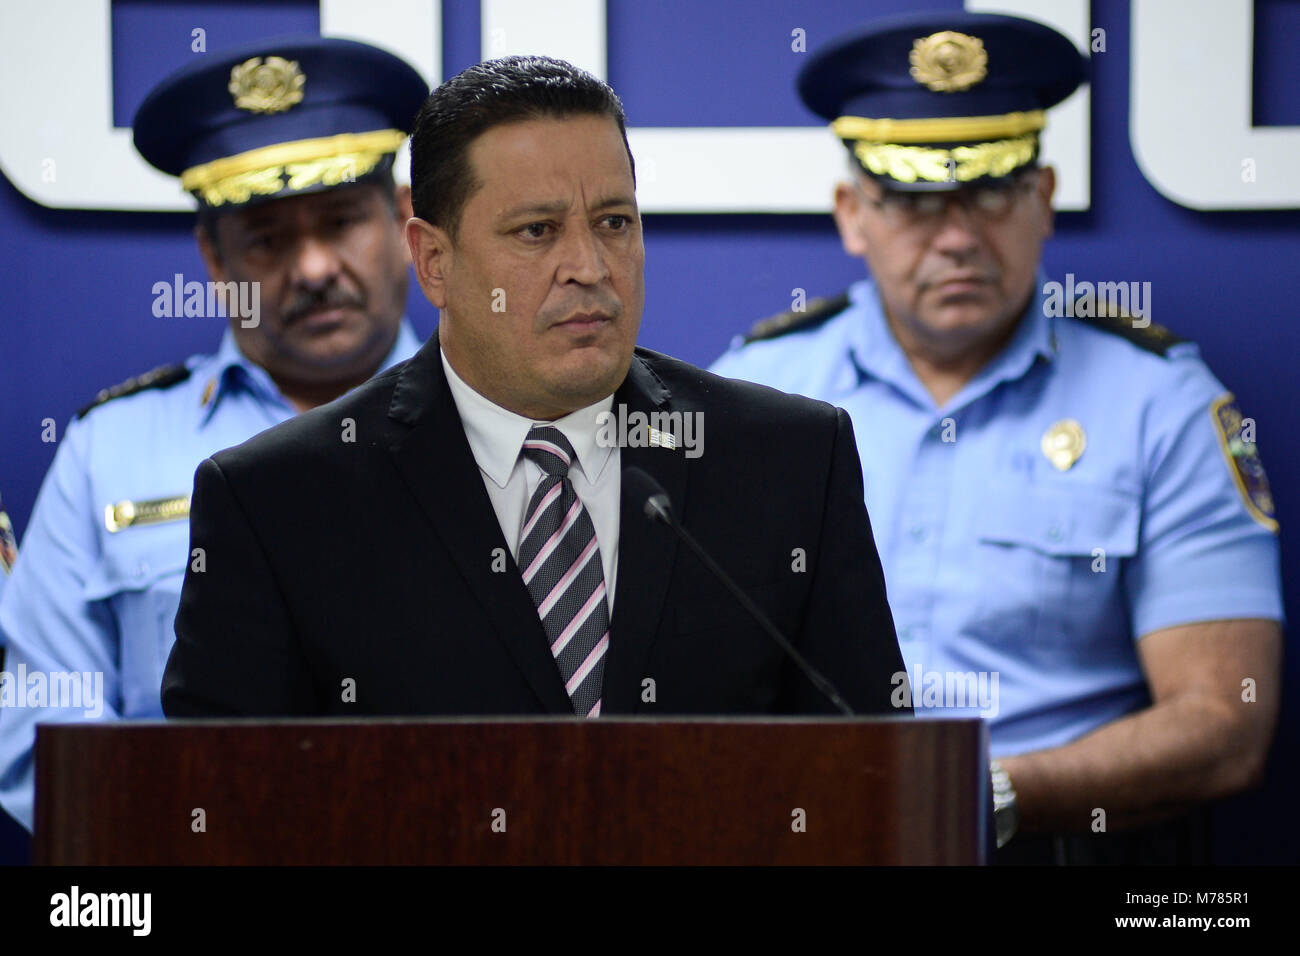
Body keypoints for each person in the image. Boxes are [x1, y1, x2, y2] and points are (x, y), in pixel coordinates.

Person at [161, 55, 906, 722]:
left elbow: (874, 781)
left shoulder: (790, 461)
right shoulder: (278, 502)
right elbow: (222, 811)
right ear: (433, 261)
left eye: (614, 221)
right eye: (537, 232)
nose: (589, 265)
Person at [711, 12, 1283, 863]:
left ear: (1043, 198)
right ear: (851, 215)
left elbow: (1223, 721)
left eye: (990, 191)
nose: (956, 238)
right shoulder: (753, 390)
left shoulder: (1159, 402)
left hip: (1053, 841)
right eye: (911, 199)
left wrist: (982, 794)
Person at [0, 36, 428, 832]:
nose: (311, 268)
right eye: (266, 239)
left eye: (339, 221)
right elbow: (39, 732)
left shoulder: (505, 425)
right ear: (212, 256)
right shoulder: (108, 454)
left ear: (404, 219)